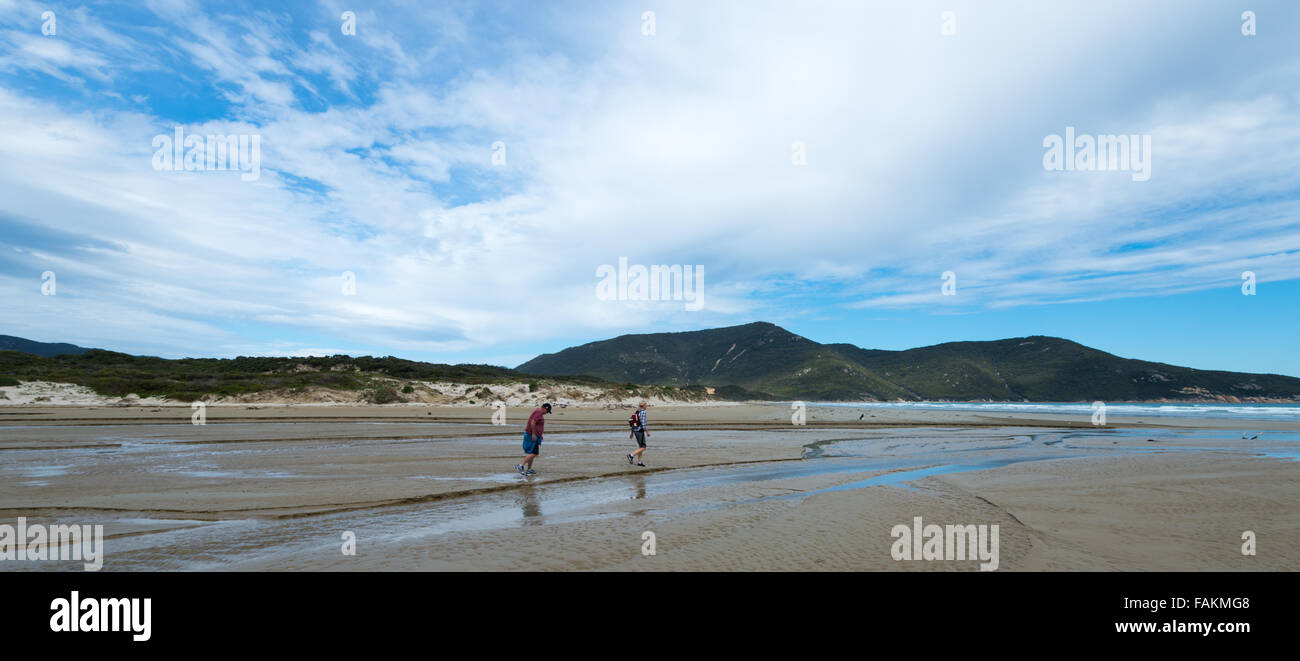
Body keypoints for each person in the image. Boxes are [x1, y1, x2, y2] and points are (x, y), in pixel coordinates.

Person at [518, 402, 551, 475]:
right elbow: (532, 422)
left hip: (535, 435)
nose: (547, 413)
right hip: (532, 435)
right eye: (547, 411)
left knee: (532, 452)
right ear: (545, 408)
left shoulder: (538, 412)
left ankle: (529, 469)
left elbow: (536, 424)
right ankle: (521, 465)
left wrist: (539, 435)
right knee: (534, 453)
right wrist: (533, 434)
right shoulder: (539, 412)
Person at [627, 401, 648, 467]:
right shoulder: (643, 412)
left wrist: (632, 433)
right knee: (643, 447)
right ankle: (631, 455)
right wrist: (647, 432)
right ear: (643, 405)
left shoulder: (637, 411)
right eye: (646, 405)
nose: (646, 406)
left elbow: (633, 423)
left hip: (636, 431)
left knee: (640, 447)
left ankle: (639, 462)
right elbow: (643, 424)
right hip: (640, 431)